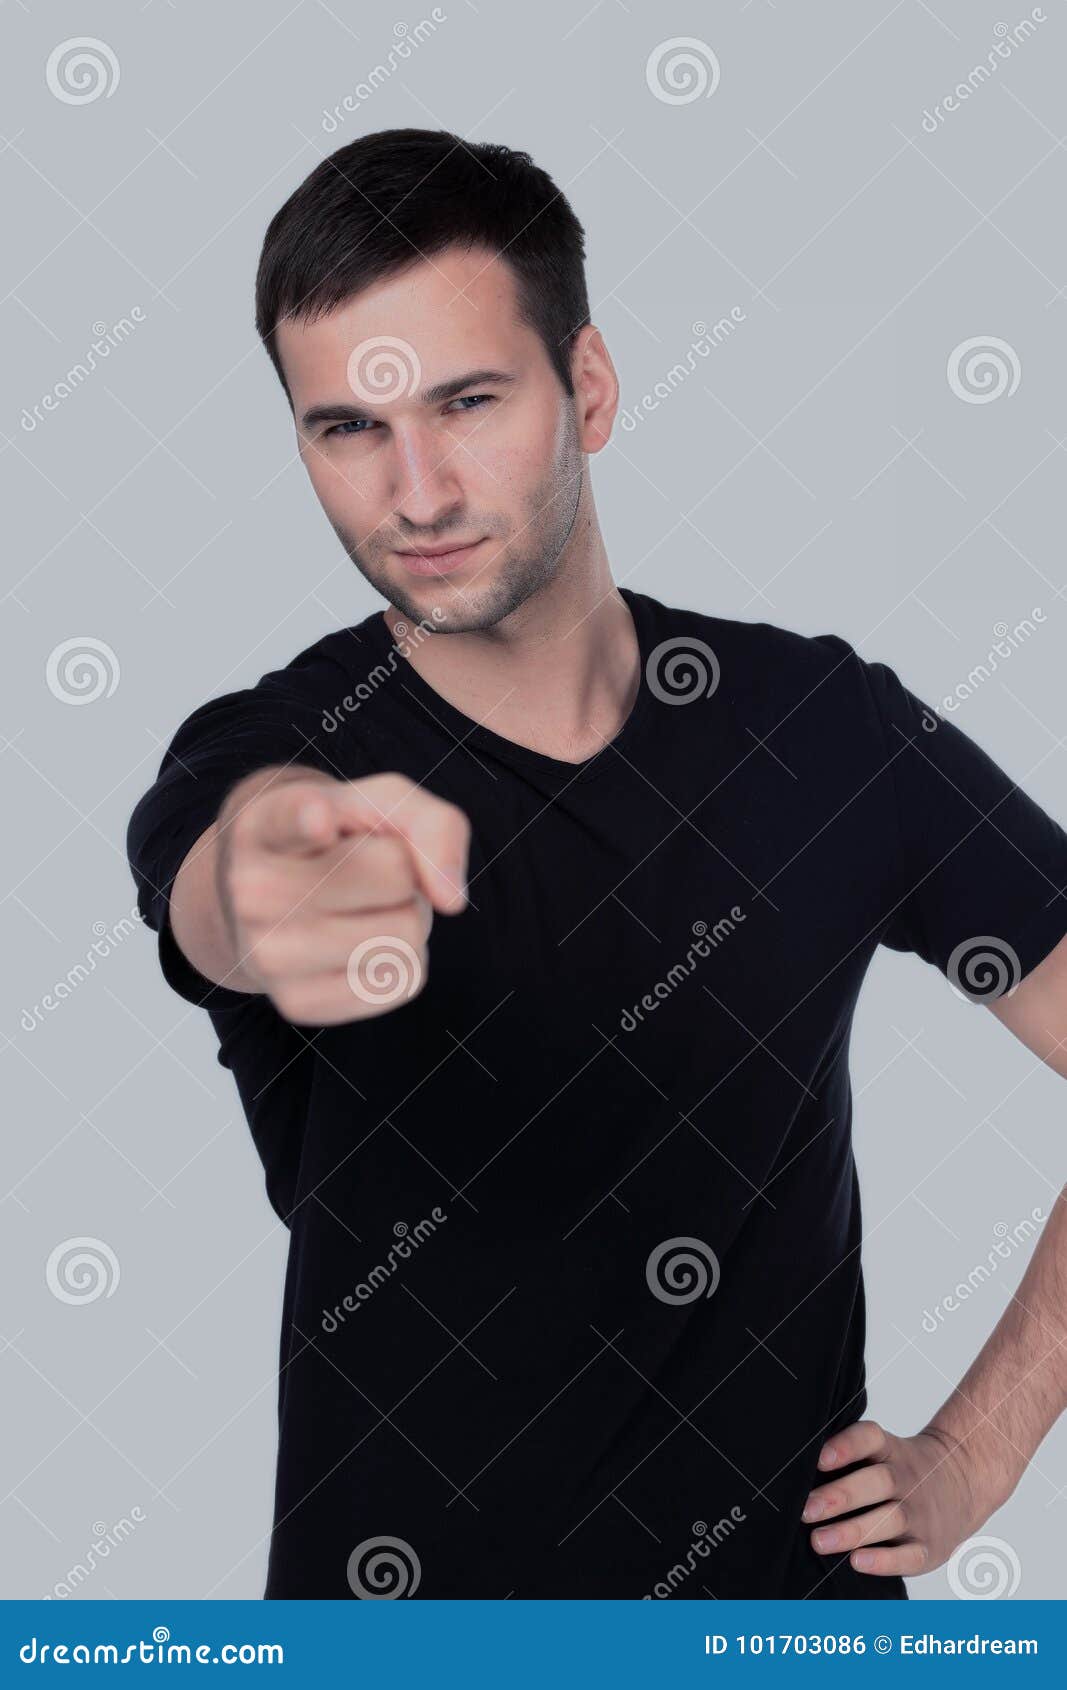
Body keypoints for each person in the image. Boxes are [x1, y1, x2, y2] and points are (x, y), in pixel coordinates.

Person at [126, 128, 1067, 1600]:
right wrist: (261, 889)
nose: (418, 492)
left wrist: (976, 1454)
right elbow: (220, 876)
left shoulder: (825, 732)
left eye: (468, 401)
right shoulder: (279, 749)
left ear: (592, 389)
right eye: (347, 429)